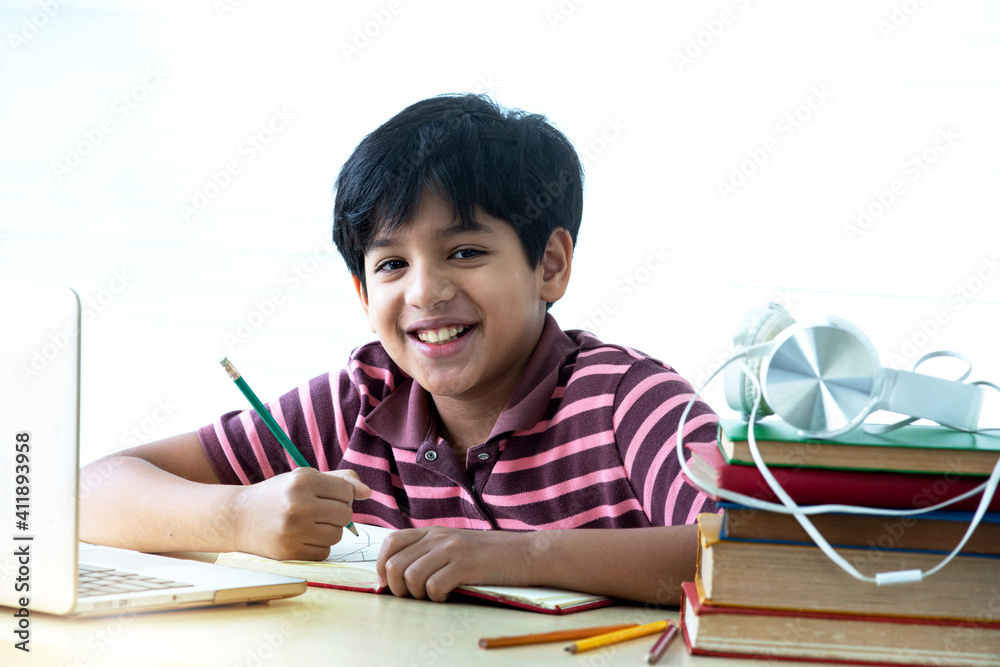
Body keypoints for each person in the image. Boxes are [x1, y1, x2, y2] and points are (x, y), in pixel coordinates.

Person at [80, 94, 718, 606]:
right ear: (362, 291)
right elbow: (88, 495)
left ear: (548, 265)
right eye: (391, 263)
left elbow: (763, 550)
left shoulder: (625, 399)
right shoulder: (358, 400)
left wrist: (524, 556)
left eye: (465, 252)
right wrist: (238, 515)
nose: (426, 292)